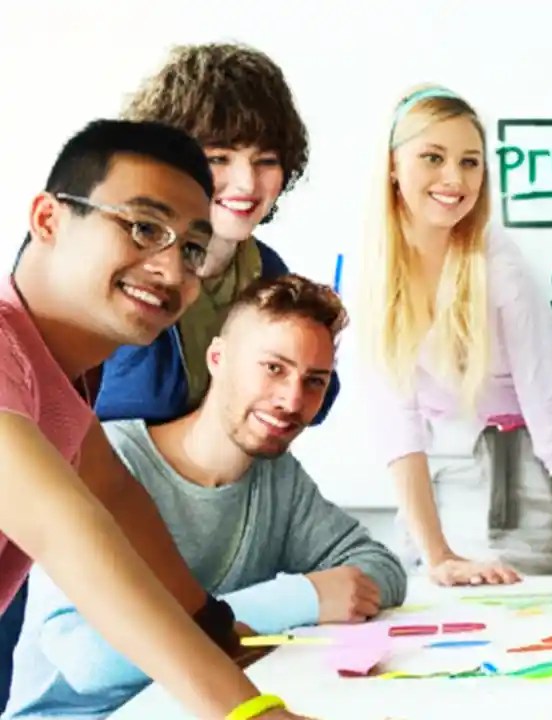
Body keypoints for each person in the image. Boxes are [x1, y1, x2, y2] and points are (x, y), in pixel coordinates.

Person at [0, 119, 308, 719]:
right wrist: (250, 712)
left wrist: (217, 631)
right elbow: (64, 528)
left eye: (191, 248)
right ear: (48, 220)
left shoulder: (62, 377)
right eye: (143, 227)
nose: (171, 270)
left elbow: (114, 493)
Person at [6, 274, 405, 720]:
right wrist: (299, 599)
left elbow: (380, 568)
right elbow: (87, 660)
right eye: (273, 368)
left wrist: (316, 599)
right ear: (217, 358)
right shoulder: (110, 460)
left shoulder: (277, 478)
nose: (292, 400)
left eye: (314, 381)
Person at [357, 84, 552, 586]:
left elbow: (551, 421)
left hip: (521, 496)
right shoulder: (375, 272)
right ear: (393, 166)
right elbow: (398, 428)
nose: (454, 179)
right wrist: (437, 551)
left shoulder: (499, 271)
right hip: (436, 492)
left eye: (470, 162)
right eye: (433, 157)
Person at [94, 41, 340, 425]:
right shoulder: (115, 259)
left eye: (266, 161)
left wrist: (320, 346)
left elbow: (310, 406)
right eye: (219, 159)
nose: (246, 183)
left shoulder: (265, 269)